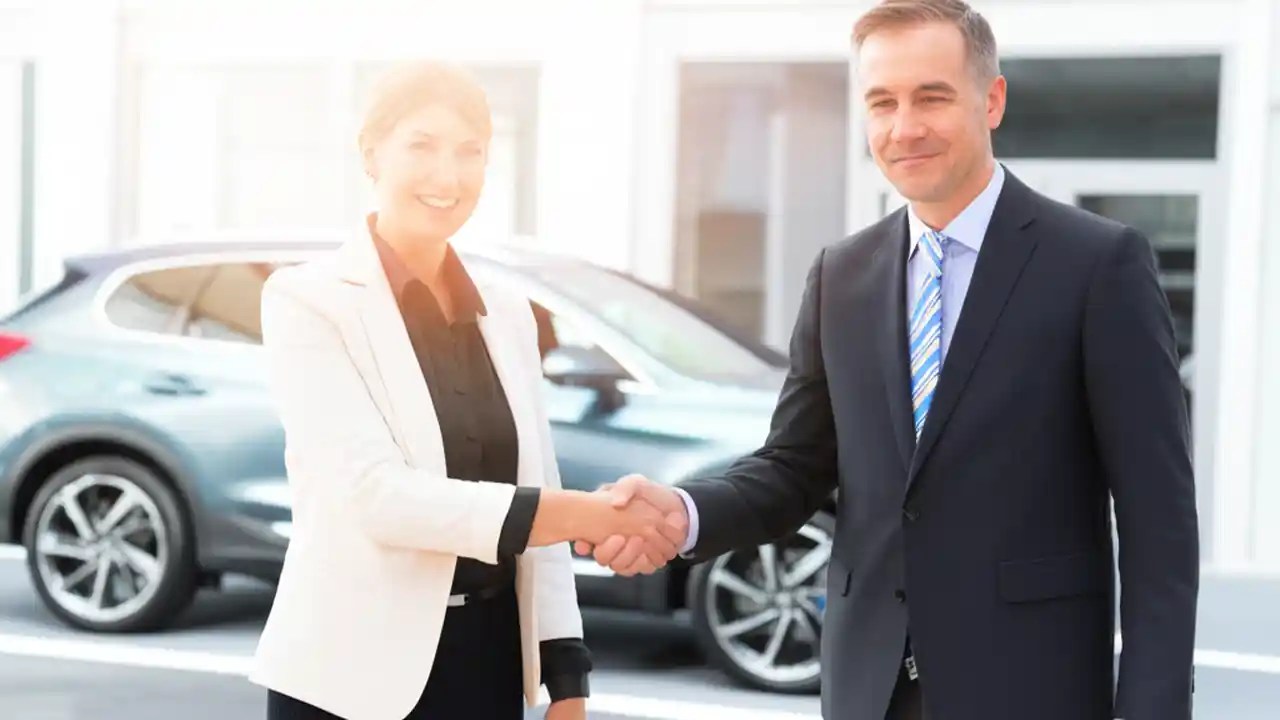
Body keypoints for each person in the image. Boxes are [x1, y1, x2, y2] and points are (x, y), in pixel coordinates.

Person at [578, 1, 1200, 718]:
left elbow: (1160, 522)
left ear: (991, 100)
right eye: (882, 102)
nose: (904, 128)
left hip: (1031, 689)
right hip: (868, 689)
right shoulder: (840, 275)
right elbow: (792, 468)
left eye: (931, 97)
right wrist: (682, 513)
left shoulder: (1097, 265)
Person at [248, 62, 685, 720]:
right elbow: (378, 498)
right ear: (371, 153)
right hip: (347, 676)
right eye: (421, 146)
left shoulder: (506, 312)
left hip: (486, 665)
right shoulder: (308, 301)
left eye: (470, 152)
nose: (446, 176)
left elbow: (539, 474)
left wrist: (567, 675)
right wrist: (590, 515)